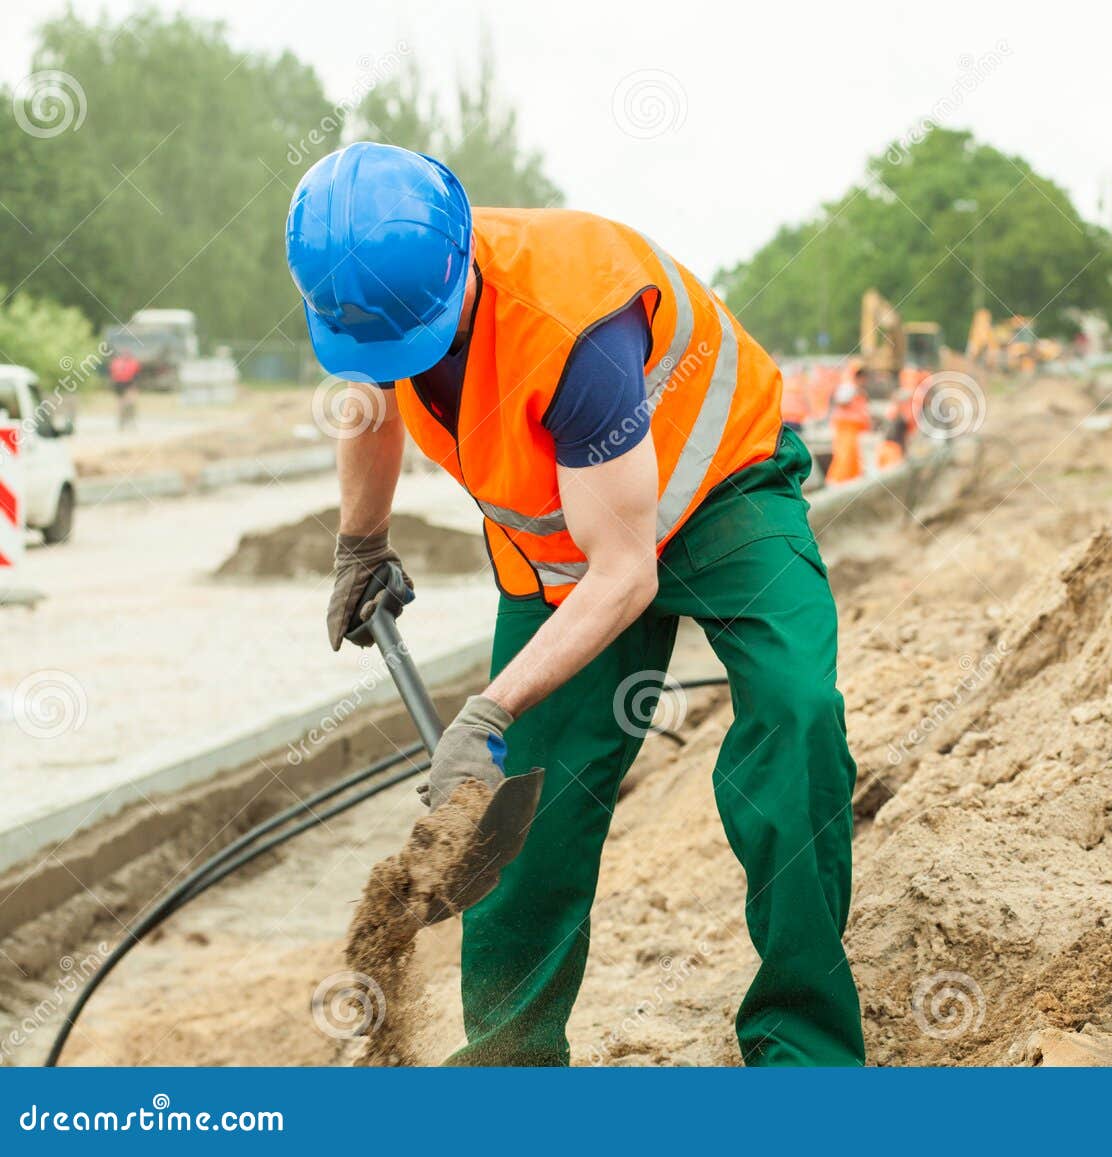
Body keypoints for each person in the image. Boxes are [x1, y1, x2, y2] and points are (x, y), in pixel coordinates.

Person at [285, 142, 864, 1067]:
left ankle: (807, 1051)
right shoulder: (376, 294)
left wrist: (489, 705)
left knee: (798, 715)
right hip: (562, 553)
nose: (394, 358)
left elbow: (627, 572)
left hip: (724, 495)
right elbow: (372, 399)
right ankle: (514, 1068)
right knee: (526, 809)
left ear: (464, 264)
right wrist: (363, 542)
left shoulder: (573, 320)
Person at [108, 351, 140, 431]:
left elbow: (111, 375)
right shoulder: (132, 363)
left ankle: (124, 421)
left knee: (123, 403)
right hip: (125, 383)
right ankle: (126, 421)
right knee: (128, 403)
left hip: (122, 383)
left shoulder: (116, 362)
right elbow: (136, 376)